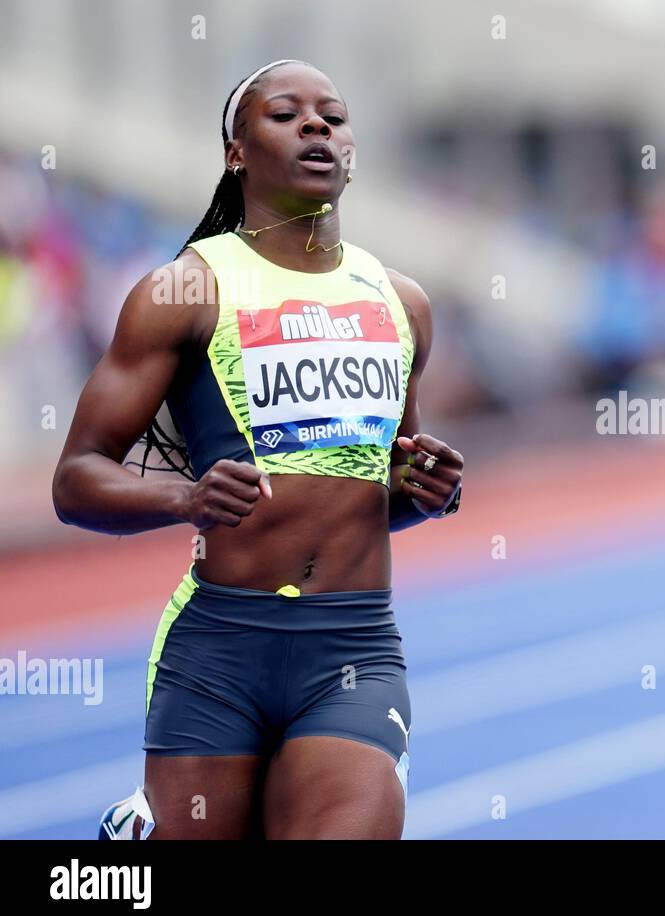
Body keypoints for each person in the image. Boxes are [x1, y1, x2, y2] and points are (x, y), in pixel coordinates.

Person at [53, 59, 464, 839]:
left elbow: (376, 495)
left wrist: (423, 490)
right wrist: (184, 498)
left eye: (333, 116)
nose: (317, 126)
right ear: (236, 152)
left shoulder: (401, 301)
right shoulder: (184, 290)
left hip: (353, 645)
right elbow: (75, 481)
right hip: (218, 651)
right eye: (287, 113)